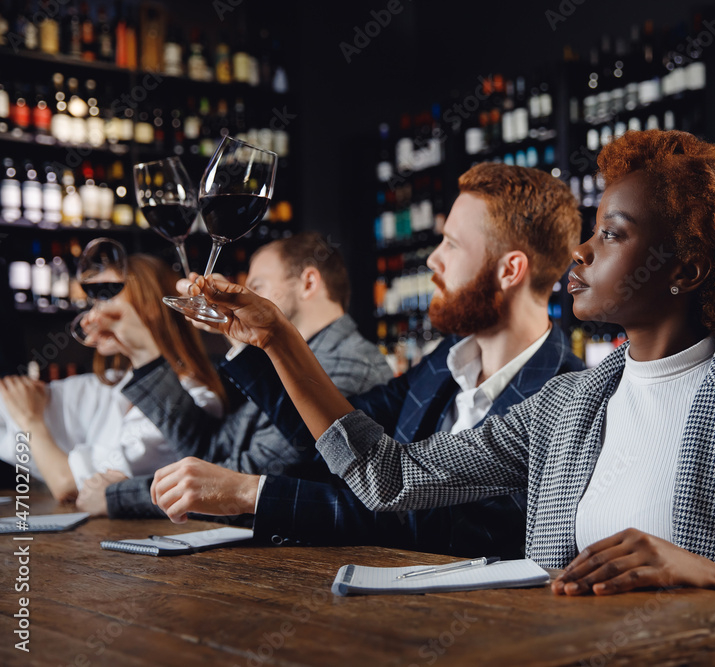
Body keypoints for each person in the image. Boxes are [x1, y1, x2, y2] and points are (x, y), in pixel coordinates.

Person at [158, 130, 715, 666]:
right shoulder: (566, 405)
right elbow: (389, 476)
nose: (581, 252)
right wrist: (279, 337)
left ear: (685, 268)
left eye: (612, 234)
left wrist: (707, 575)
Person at [144, 162, 585, 557]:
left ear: (510, 270)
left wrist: (253, 494)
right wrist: (260, 338)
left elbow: (439, 528)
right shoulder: (441, 364)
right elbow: (331, 440)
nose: (433, 258)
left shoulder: (568, 399)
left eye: (451, 244)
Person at [76, 233, 393, 518]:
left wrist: (117, 497)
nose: (245, 294)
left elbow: (258, 474)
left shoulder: (346, 364)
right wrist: (144, 351)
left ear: (309, 283)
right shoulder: (282, 363)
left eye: (257, 287)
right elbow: (211, 451)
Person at [0, 254, 226, 503]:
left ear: (150, 308)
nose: (92, 317)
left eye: (107, 298)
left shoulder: (194, 398)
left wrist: (30, 422)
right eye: (95, 303)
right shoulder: (113, 381)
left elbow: (68, 485)